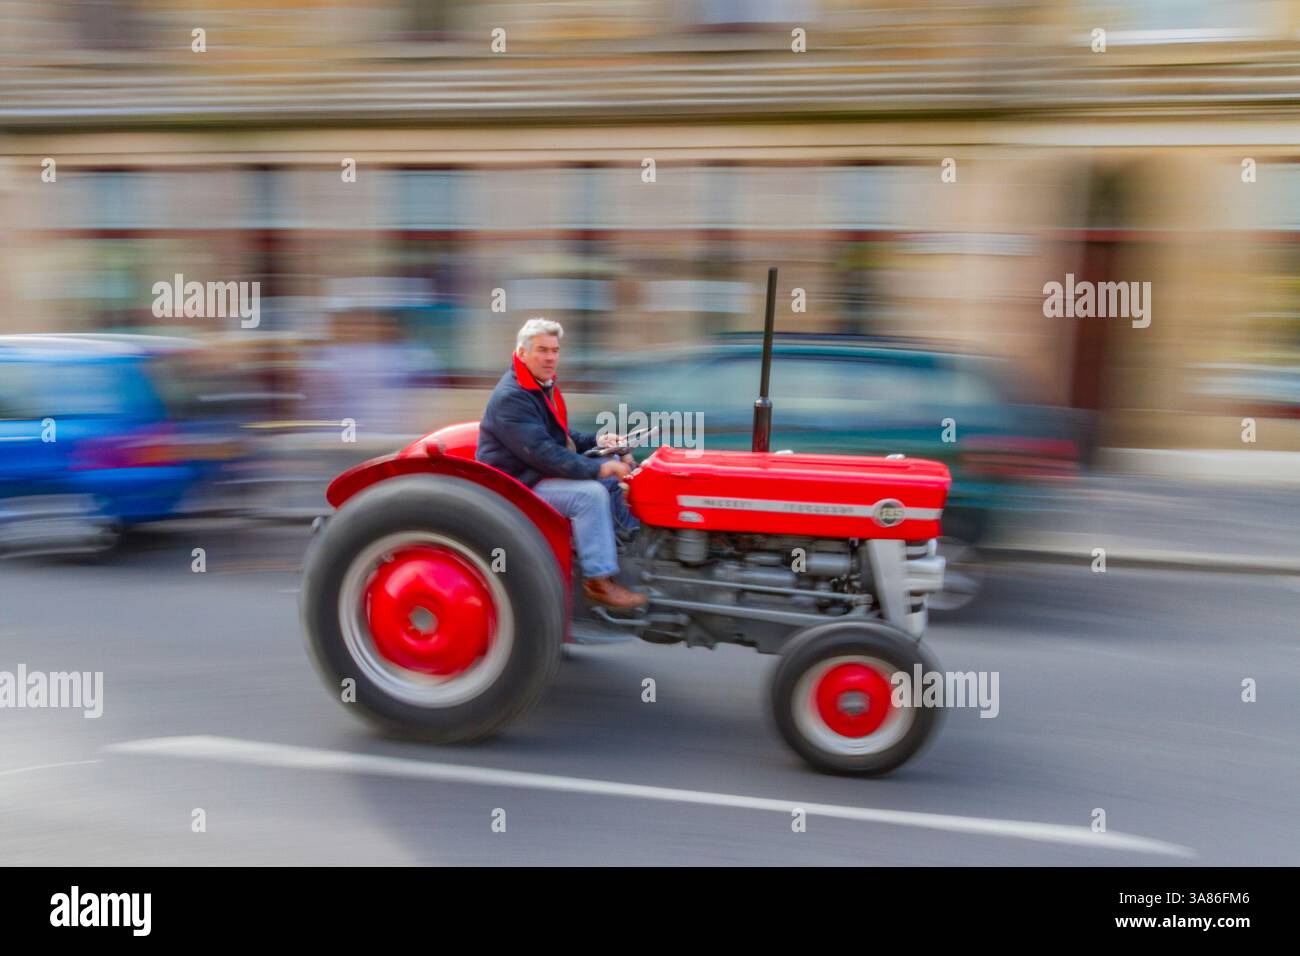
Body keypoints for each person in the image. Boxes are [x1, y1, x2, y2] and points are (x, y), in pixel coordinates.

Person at [476, 318, 647, 611]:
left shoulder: (539, 386)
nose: (551, 357)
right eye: (542, 350)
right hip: (518, 484)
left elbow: (561, 438)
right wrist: (598, 468)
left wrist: (601, 441)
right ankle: (598, 579)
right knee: (590, 495)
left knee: (612, 467)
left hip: (537, 472)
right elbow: (544, 453)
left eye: (554, 350)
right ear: (522, 352)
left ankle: (635, 547)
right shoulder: (513, 397)